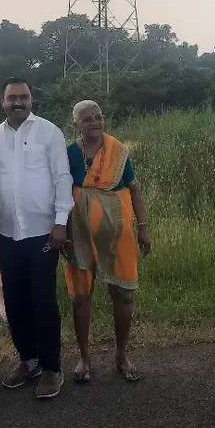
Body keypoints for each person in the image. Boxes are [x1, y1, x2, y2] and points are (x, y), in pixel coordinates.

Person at [0, 78, 73, 400]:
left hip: (43, 231)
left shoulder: (49, 132)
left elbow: (62, 178)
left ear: (31, 99)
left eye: (23, 97)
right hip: (8, 231)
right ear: (3, 101)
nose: (18, 102)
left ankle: (52, 368)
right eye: (12, 97)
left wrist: (60, 223)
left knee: (43, 300)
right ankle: (29, 359)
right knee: (15, 300)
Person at [65, 100, 151, 384]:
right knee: (80, 297)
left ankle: (122, 355)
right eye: (88, 118)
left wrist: (143, 227)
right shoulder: (68, 154)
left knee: (123, 294)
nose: (95, 122)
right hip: (78, 233)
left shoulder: (119, 151)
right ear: (76, 123)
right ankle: (85, 357)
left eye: (99, 117)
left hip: (119, 231)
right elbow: (59, 193)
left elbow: (135, 190)